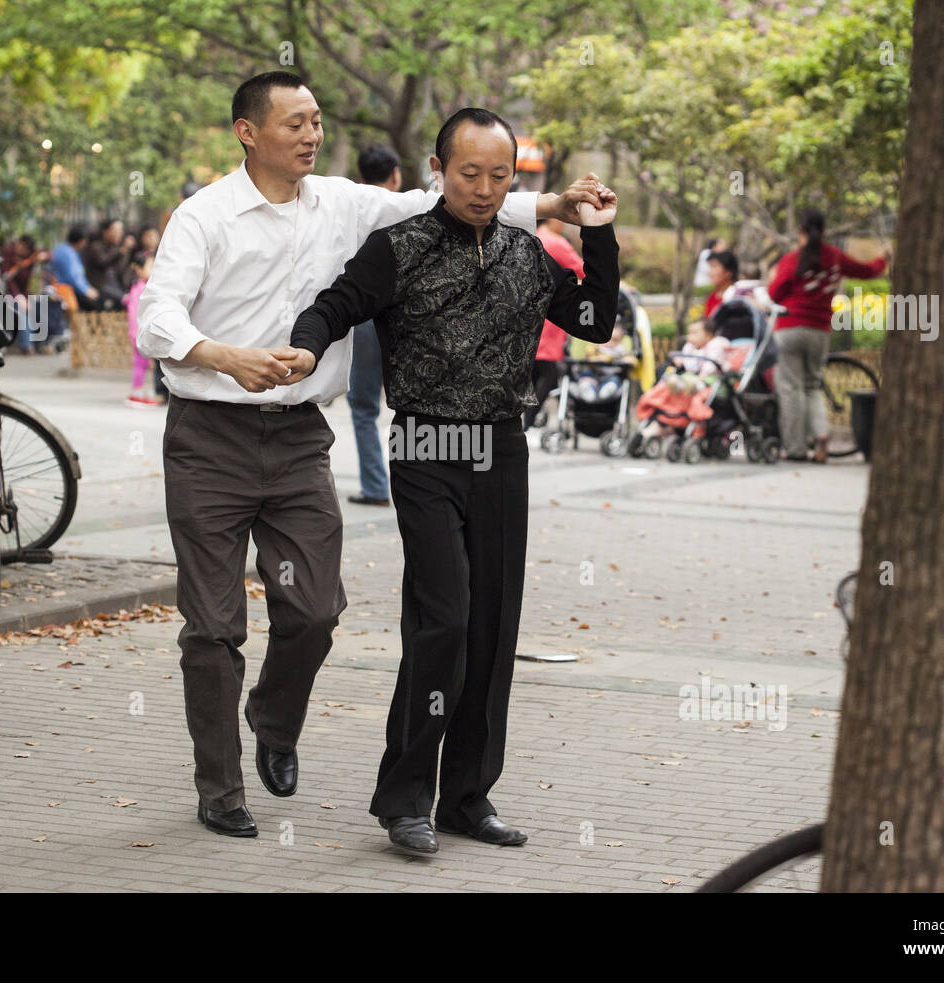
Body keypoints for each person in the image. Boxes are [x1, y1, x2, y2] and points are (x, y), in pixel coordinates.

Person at [135, 71, 608, 841]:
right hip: (210, 435)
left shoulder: (345, 205)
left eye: (316, 120)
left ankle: (274, 716)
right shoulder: (204, 216)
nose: (311, 134)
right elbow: (157, 314)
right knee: (214, 626)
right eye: (294, 122)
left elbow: (442, 199)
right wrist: (222, 356)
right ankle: (220, 786)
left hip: (296, 441)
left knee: (317, 611)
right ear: (248, 132)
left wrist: (552, 206)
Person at [286, 107, 620, 857]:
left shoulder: (528, 254)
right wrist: (306, 352)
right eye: (469, 172)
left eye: (500, 175)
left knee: (493, 625)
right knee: (445, 618)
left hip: (500, 450)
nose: (484, 187)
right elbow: (333, 308)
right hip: (427, 445)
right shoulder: (397, 247)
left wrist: (596, 232)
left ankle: (469, 796)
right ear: (439, 169)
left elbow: (594, 318)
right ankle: (405, 797)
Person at [767, 209, 889, 462]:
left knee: (791, 388)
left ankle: (796, 448)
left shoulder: (792, 259)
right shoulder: (834, 256)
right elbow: (867, 271)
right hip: (820, 331)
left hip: (789, 327)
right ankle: (821, 434)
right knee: (812, 386)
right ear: (823, 230)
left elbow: (775, 294)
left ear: (800, 230)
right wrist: (884, 258)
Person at [346, 145, 403, 507]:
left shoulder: (353, 209)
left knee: (364, 407)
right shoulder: (411, 209)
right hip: (407, 317)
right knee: (413, 406)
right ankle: (416, 484)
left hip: (366, 318)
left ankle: (376, 486)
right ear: (395, 174)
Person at [527, 217, 584, 429]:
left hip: (525, 317)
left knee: (530, 372)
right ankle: (528, 421)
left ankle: (524, 420)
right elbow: (583, 270)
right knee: (549, 374)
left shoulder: (527, 238)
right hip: (549, 319)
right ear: (552, 219)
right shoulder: (556, 242)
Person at [1, 235, 52, 354]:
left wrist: (44, 256)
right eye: (20, 246)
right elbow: (8, 279)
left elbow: (49, 254)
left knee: (44, 305)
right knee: (21, 310)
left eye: (25, 248)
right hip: (8, 294)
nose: (21, 250)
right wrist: (18, 297)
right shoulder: (8, 253)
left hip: (27, 293)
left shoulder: (32, 257)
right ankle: (27, 346)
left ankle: (43, 344)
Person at [124, 251, 160, 406]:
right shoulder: (141, 288)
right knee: (141, 363)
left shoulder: (140, 287)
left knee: (142, 364)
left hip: (139, 331)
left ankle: (138, 391)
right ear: (139, 269)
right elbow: (135, 314)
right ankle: (136, 392)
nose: (154, 269)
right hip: (139, 332)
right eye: (151, 266)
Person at [50, 226, 107, 311]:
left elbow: (78, 276)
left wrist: (88, 287)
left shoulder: (68, 250)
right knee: (97, 304)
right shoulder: (68, 254)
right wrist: (85, 291)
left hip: (71, 288)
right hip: (66, 290)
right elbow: (72, 277)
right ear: (81, 241)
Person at [83, 219, 130, 306]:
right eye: (115, 230)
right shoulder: (95, 246)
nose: (119, 233)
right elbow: (103, 262)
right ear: (105, 232)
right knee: (126, 300)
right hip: (100, 287)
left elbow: (121, 270)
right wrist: (120, 252)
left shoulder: (116, 248)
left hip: (115, 286)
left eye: (120, 230)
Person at [703, 248, 738, 320]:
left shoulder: (736, 297)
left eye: (714, 267)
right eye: (710, 267)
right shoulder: (713, 296)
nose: (710, 273)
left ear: (729, 272)